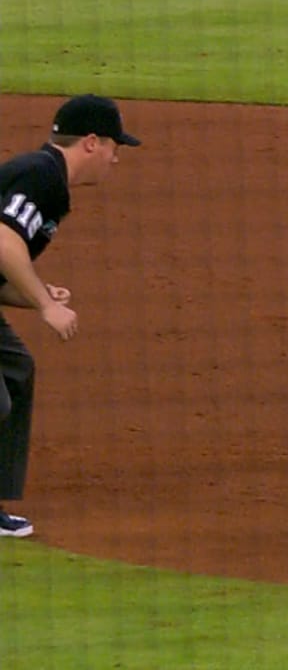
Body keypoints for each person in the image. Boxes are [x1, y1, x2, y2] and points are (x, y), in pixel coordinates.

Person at [1, 94, 141, 537]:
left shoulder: (47, 180)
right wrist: (44, 306)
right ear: (91, 143)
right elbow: (3, 242)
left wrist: (38, 291)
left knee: (16, 370)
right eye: (114, 147)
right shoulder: (42, 177)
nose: (115, 160)